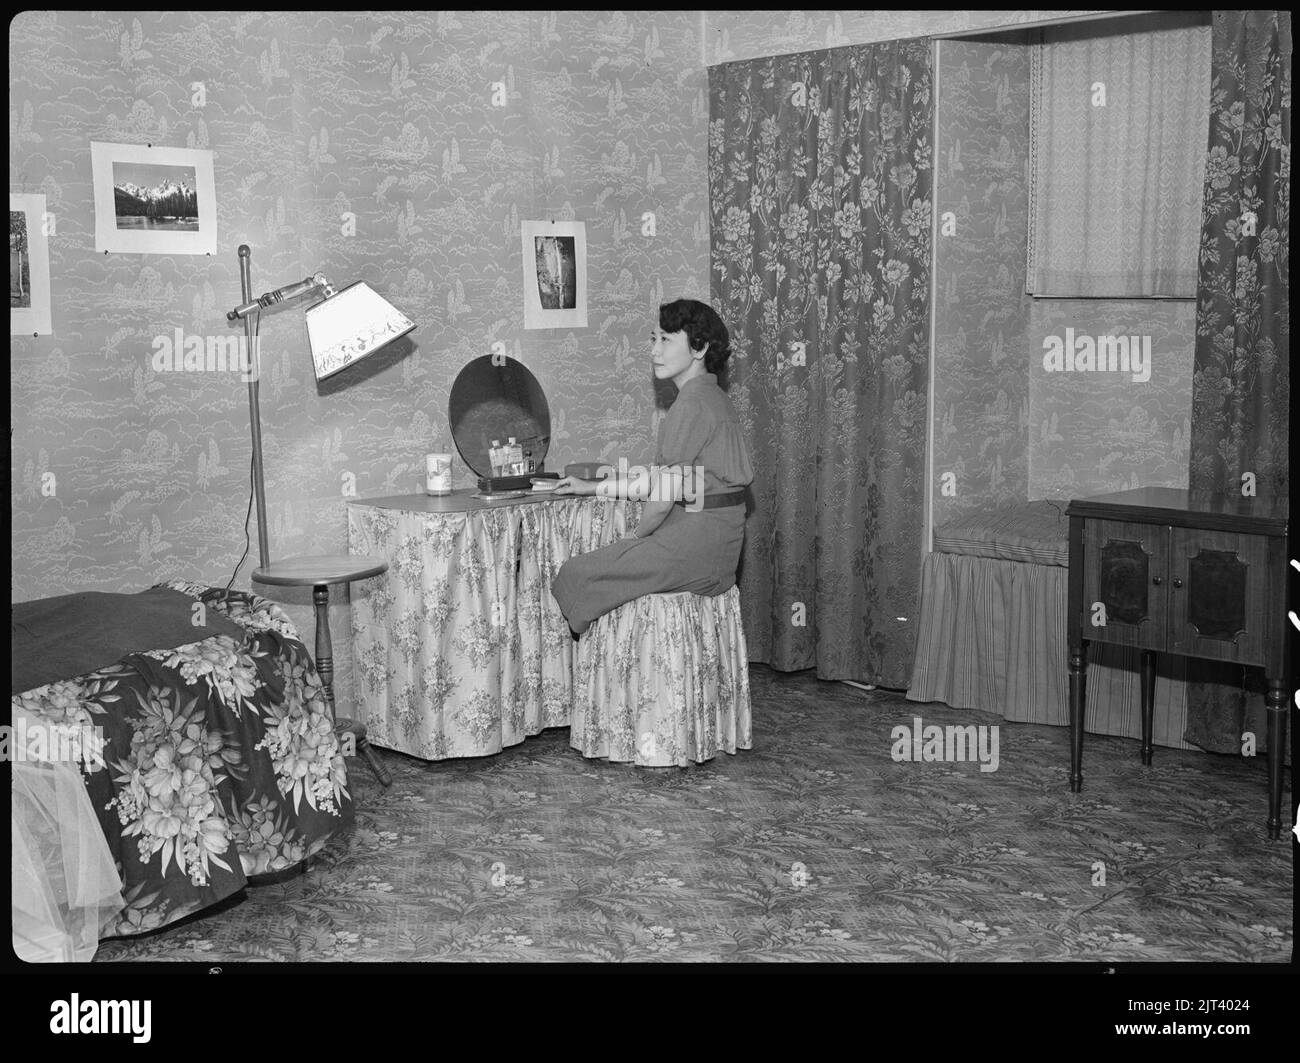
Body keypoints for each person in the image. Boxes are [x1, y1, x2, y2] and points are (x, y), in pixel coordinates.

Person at [549, 299, 754, 637]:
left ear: (699, 347)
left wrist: (635, 538)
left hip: (696, 548)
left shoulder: (689, 405)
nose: (654, 351)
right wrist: (590, 486)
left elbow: (660, 500)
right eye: (653, 339)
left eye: (666, 340)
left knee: (577, 573)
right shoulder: (712, 398)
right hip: (721, 545)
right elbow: (661, 479)